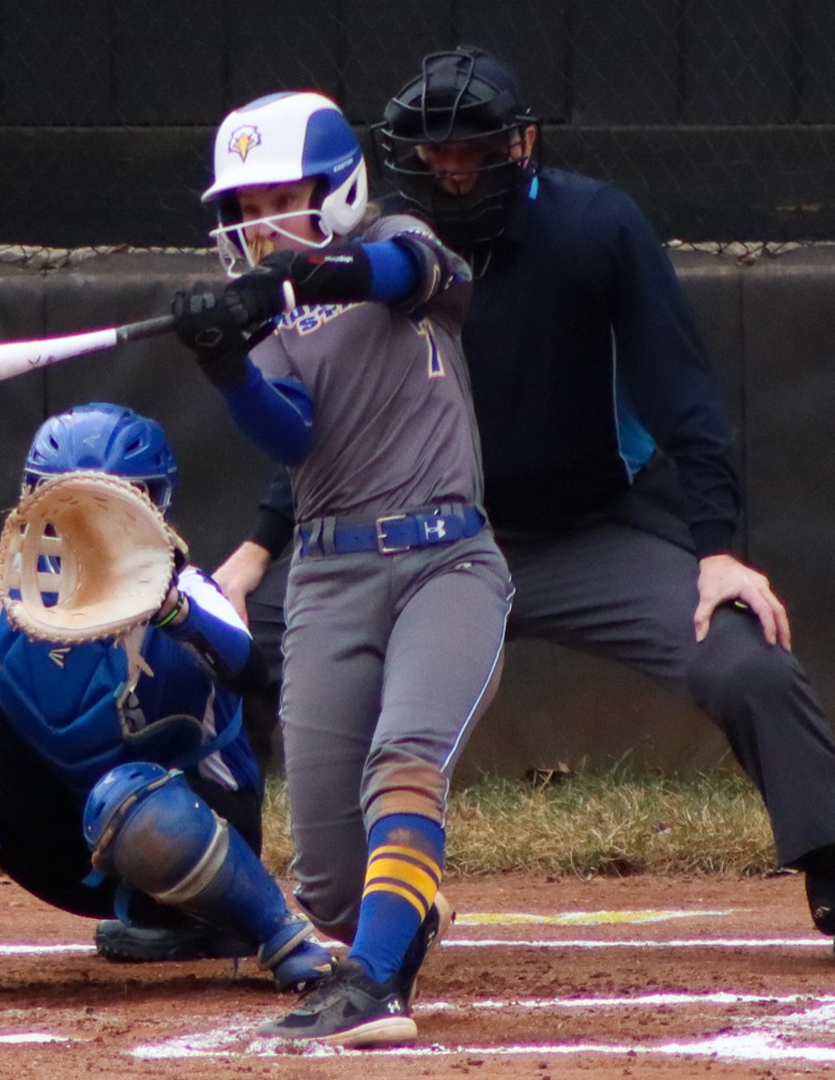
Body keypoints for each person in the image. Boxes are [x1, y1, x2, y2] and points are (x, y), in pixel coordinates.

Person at [212, 47, 835, 969]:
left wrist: (716, 547)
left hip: (590, 531)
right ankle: (205, 890)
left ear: (525, 144)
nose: (454, 170)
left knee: (738, 657)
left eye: (473, 149)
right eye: (434, 155)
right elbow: (333, 431)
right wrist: (258, 550)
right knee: (226, 639)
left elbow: (684, 397)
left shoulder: (586, 229)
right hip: (416, 545)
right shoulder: (347, 259)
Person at [169, 90, 511, 1047]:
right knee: (325, 872)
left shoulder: (405, 240)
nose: (256, 223)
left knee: (404, 758)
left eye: (278, 197)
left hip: (445, 561)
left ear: (336, 186)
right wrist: (227, 363)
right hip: (326, 575)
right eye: (241, 208)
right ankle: (391, 929)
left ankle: (375, 988)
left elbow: (394, 273)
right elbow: (292, 431)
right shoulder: (272, 318)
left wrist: (298, 280)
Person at [0, 403, 333, 997]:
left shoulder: (190, 594)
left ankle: (274, 930)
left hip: (193, 839)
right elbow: (4, 726)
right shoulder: (12, 605)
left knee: (132, 800)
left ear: (152, 504)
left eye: (113, 500)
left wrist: (175, 613)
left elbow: (250, 670)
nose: (88, 522)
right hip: (73, 851)